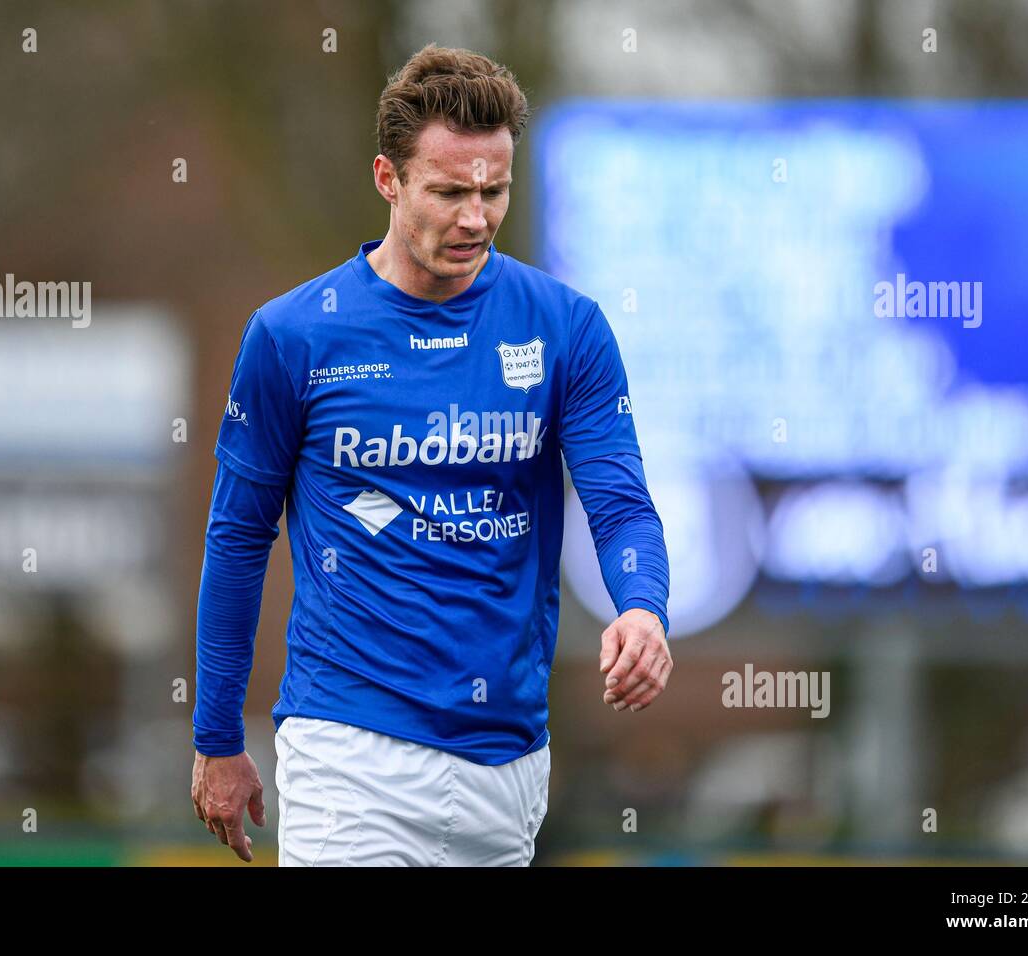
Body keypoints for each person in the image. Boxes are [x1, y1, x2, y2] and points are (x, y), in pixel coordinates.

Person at [190, 43, 672, 866]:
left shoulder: (566, 327)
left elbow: (620, 503)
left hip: (510, 761)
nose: (476, 218)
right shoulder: (294, 335)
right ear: (389, 179)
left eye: (494, 191)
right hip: (349, 749)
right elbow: (237, 536)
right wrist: (216, 735)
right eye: (449, 192)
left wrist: (642, 606)